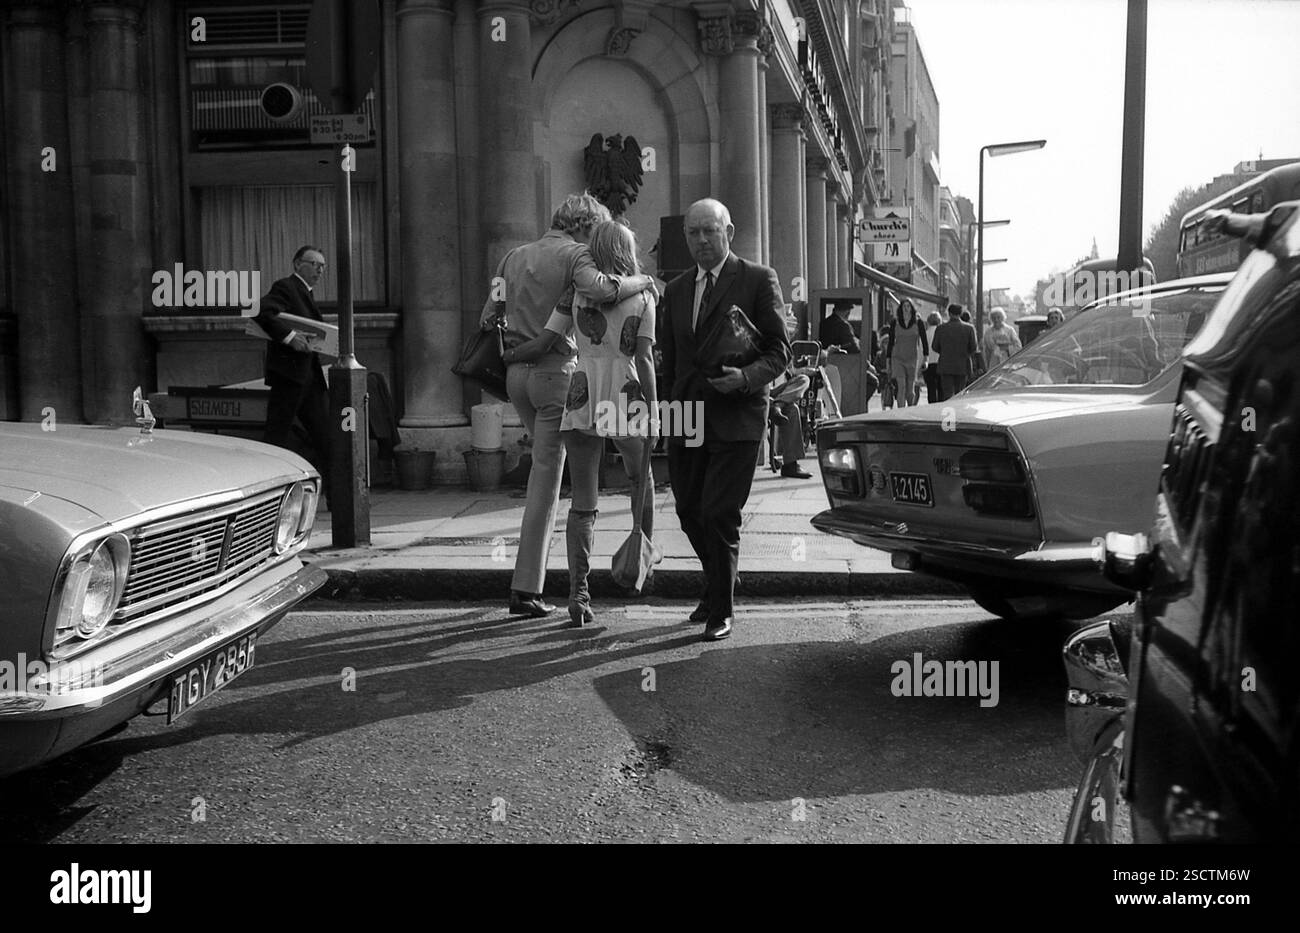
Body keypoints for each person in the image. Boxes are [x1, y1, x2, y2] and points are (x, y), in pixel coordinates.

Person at [480, 193, 659, 619]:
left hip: (523, 376)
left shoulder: (512, 256)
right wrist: (644, 283)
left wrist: (511, 353)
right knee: (556, 478)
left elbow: (490, 314)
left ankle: (573, 592)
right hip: (563, 376)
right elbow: (605, 290)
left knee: (564, 485)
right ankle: (529, 588)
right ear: (584, 226)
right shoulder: (579, 256)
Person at [660, 198, 791, 642]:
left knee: (719, 511)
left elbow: (779, 351)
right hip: (686, 416)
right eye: (693, 233)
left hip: (738, 415)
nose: (701, 241)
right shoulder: (676, 290)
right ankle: (720, 579)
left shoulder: (757, 279)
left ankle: (721, 608)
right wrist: (663, 413)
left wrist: (747, 379)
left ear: (728, 233)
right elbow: (671, 363)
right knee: (687, 510)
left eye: (709, 232)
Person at [255, 245, 332, 501]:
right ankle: (267, 497)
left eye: (322, 266)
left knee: (325, 436)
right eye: (314, 264)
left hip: (309, 377)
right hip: (290, 377)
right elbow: (261, 311)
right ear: (298, 264)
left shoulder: (305, 293)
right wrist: (289, 337)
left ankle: (339, 499)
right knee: (276, 437)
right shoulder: (286, 287)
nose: (319, 270)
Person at [886, 299, 929, 408]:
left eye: (908, 306)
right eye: (904, 306)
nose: (906, 308)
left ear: (912, 308)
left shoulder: (918, 322)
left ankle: (910, 409)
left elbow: (924, 341)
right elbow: (891, 342)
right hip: (898, 358)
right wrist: (888, 361)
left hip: (912, 358)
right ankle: (901, 412)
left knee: (910, 389)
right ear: (901, 308)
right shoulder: (895, 322)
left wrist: (926, 359)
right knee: (902, 386)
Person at [932, 303, 977, 401]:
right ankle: (958, 414)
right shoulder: (969, 328)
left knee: (947, 394)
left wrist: (944, 351)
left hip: (945, 365)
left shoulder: (941, 328)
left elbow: (934, 346)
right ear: (960, 314)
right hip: (963, 365)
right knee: (960, 393)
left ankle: (949, 414)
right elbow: (973, 347)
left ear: (949, 313)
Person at [922, 310, 942, 403]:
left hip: (928, 364)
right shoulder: (942, 332)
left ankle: (932, 406)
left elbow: (920, 350)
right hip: (940, 363)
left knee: (931, 389)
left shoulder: (925, 334)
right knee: (941, 388)